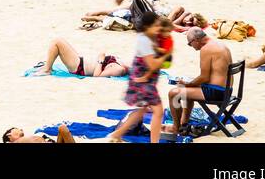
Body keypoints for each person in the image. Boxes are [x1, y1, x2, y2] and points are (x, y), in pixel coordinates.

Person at [106, 14, 170, 143]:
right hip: (143, 81)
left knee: (142, 110)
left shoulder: (149, 38)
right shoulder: (144, 41)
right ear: (147, 27)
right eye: (156, 25)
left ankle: (117, 134)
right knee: (158, 111)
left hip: (145, 80)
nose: (159, 28)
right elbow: (152, 64)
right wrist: (166, 55)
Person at [166, 28, 232, 135]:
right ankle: (184, 123)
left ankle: (176, 127)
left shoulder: (206, 49)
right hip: (226, 90)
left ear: (196, 40)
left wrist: (188, 84)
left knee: (173, 93)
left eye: (189, 43)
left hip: (217, 92)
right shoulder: (219, 44)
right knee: (187, 89)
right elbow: (211, 75)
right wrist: (189, 84)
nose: (191, 46)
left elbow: (204, 77)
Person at [33, 38, 127, 77]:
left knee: (57, 42)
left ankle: (47, 70)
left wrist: (101, 61)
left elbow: (97, 77)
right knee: (59, 42)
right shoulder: (121, 63)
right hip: (80, 61)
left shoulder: (119, 69)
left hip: (79, 67)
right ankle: (48, 67)